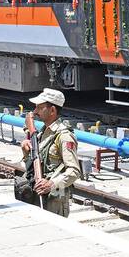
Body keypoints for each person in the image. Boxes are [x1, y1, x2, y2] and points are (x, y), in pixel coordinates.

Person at [15, 88, 82, 217]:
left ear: (52, 110)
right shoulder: (41, 132)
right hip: (36, 191)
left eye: (40, 108)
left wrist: (51, 184)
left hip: (54, 198)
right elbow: (36, 163)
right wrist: (26, 152)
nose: (35, 112)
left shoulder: (64, 136)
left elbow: (74, 171)